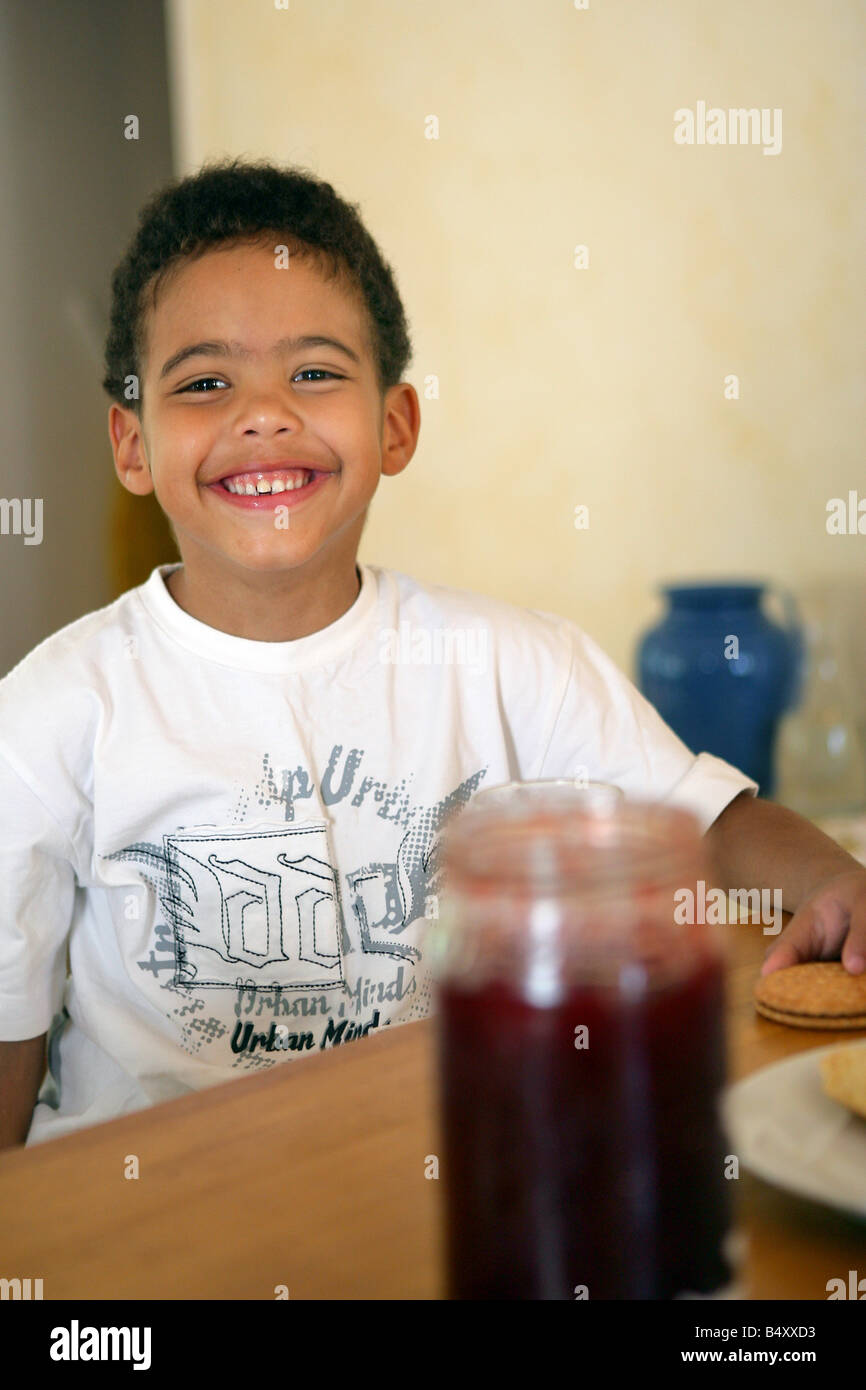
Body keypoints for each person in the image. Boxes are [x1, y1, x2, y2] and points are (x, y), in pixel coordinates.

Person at [1, 158, 863, 1151]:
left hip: (436, 1194)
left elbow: (709, 826)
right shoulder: (51, 714)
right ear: (132, 445)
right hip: (152, 1234)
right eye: (203, 382)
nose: (263, 412)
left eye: (314, 372)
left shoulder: (517, 667)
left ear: (394, 424)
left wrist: (840, 879)